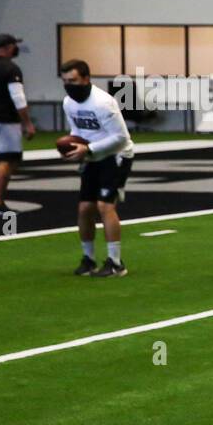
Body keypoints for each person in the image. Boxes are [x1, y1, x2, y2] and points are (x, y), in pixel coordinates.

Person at [59, 60, 134, 277]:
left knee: (104, 206)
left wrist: (88, 148)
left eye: (72, 80)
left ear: (85, 79)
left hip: (116, 155)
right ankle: (88, 259)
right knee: (84, 209)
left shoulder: (103, 103)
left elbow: (121, 138)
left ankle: (116, 263)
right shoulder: (68, 103)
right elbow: (76, 129)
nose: (68, 85)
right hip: (92, 156)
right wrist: (74, 148)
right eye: (64, 81)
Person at [0, 33, 33, 216]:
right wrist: (27, 123)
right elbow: (18, 98)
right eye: (14, 45)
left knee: (4, 158)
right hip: (6, 120)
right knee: (9, 160)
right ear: (9, 47)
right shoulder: (11, 69)